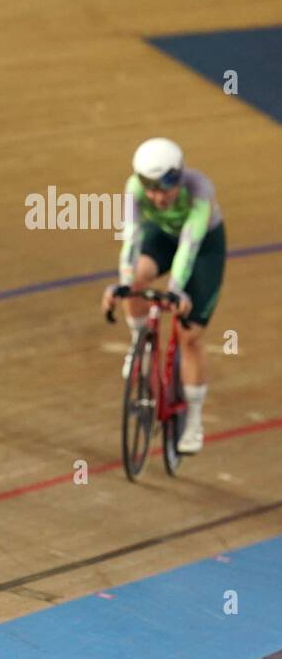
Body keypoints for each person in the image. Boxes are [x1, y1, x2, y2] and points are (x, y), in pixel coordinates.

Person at [102, 137, 226, 454]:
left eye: (165, 188)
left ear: (179, 176)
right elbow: (131, 238)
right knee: (138, 278)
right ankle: (137, 341)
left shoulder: (200, 191)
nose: (158, 197)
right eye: (151, 189)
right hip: (164, 237)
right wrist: (123, 283)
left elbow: (189, 245)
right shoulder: (134, 189)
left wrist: (175, 291)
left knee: (189, 336)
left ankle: (195, 421)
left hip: (202, 247)